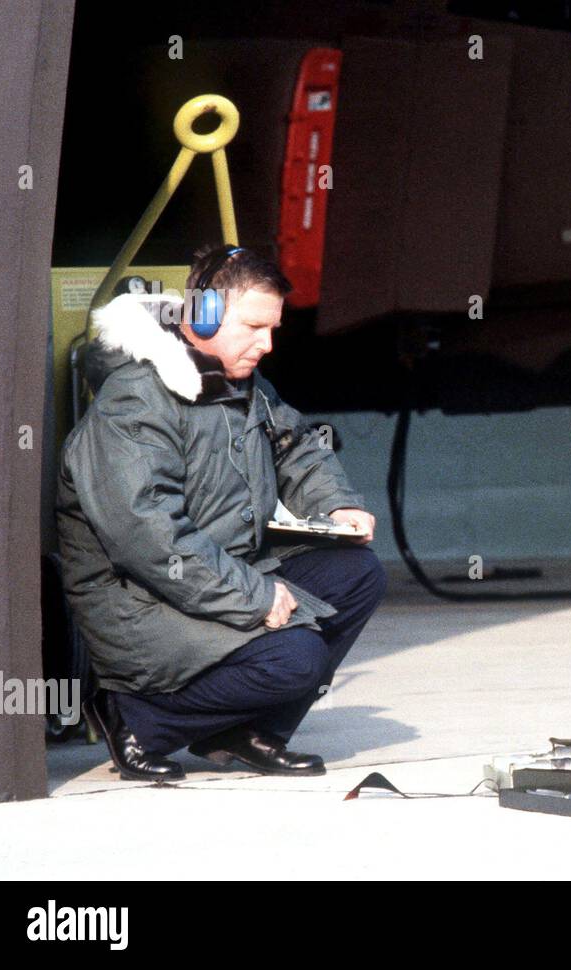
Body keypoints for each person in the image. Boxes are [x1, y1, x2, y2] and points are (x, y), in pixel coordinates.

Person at [57, 245, 387, 782]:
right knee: (295, 659)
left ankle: (245, 732)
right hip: (142, 599)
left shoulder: (244, 384)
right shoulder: (135, 401)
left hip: (214, 575)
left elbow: (295, 445)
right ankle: (137, 717)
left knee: (357, 576)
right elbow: (151, 539)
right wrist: (255, 596)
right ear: (203, 314)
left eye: (273, 328)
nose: (268, 343)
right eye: (254, 326)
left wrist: (336, 503)